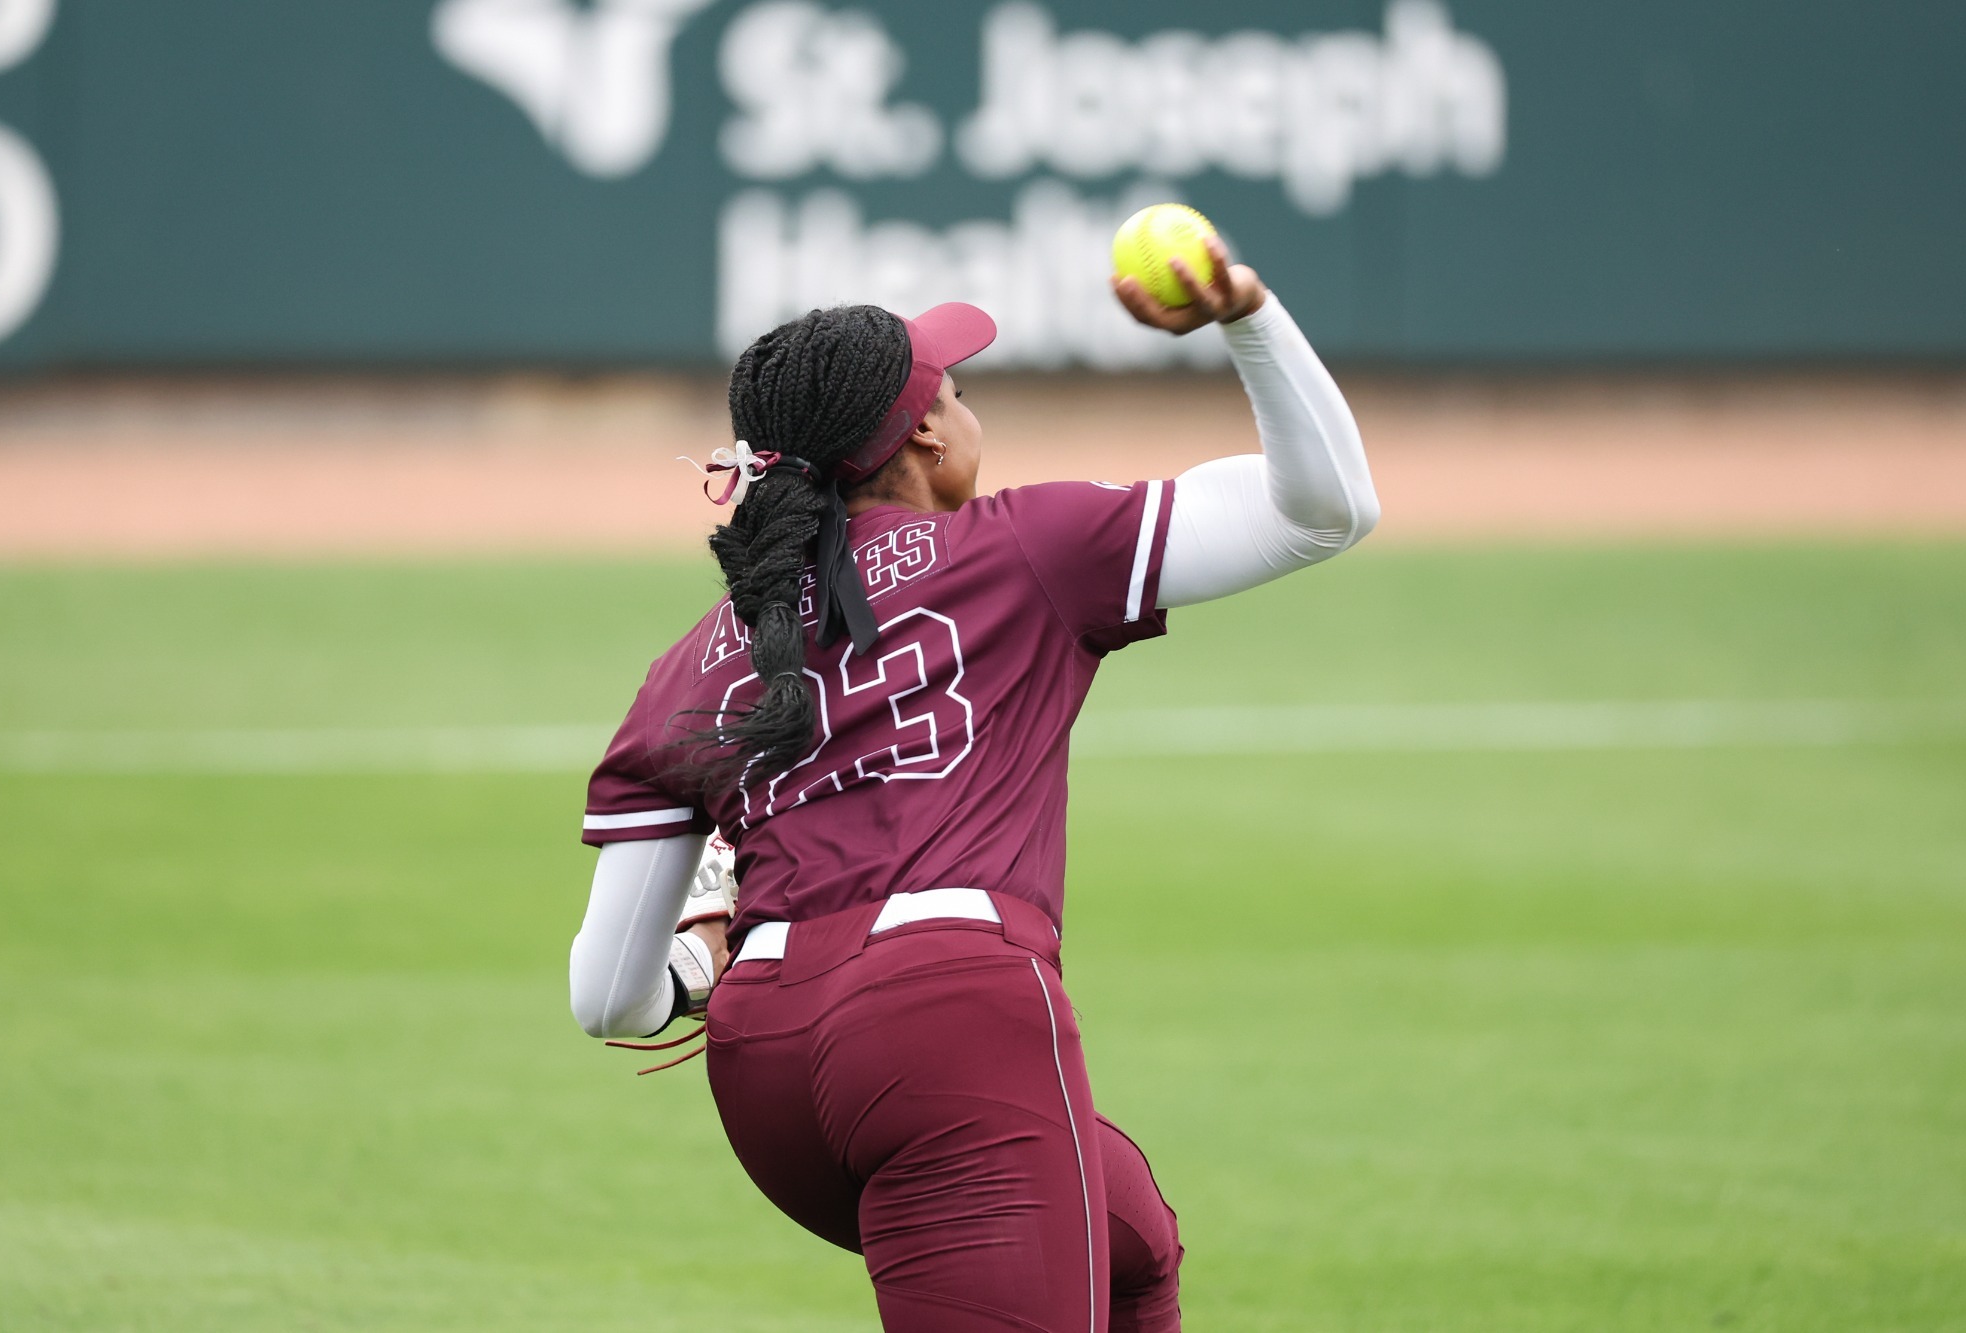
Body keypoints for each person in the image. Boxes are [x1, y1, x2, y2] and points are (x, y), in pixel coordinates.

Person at [568, 240, 1378, 1332]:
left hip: (764, 1067)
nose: (965, 407)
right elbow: (1325, 509)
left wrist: (701, 954)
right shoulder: (1024, 547)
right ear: (926, 434)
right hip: (943, 1031)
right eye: (956, 390)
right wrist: (1248, 314)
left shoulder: (692, 663)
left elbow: (607, 999)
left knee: (1131, 1247)